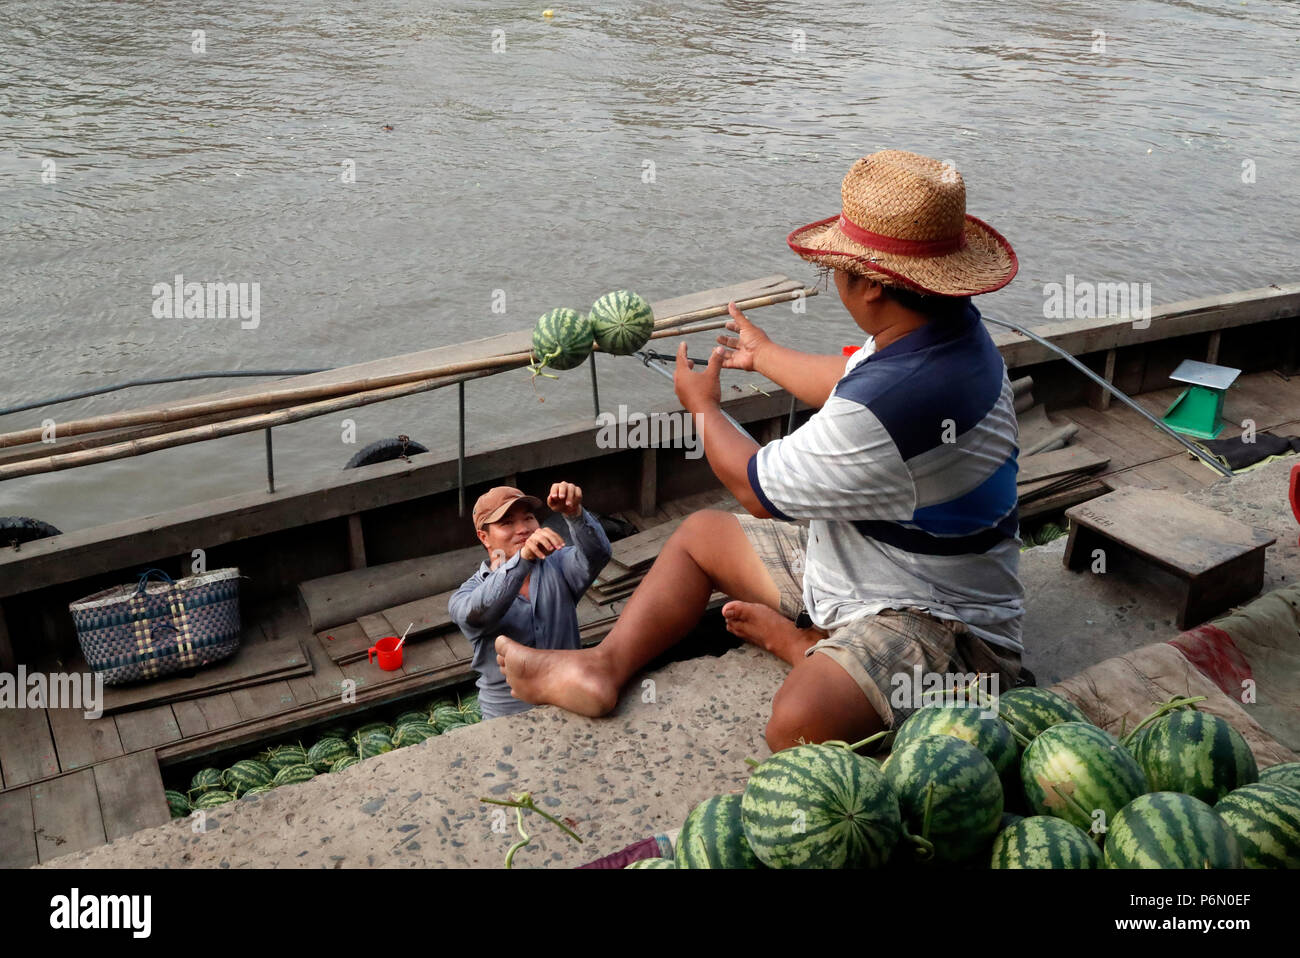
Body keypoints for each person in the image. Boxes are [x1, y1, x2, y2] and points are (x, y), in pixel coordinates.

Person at [494, 149, 1024, 752]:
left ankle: (806, 646)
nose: (833, 283)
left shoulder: (892, 402)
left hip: (940, 619)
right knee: (700, 538)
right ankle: (601, 665)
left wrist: (704, 408)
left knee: (797, 723)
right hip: (868, 555)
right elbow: (843, 376)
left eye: (837, 273)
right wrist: (764, 355)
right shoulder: (944, 333)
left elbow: (754, 485)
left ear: (873, 286)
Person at [449, 482, 611, 720]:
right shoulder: (466, 595)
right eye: (507, 523)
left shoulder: (558, 566)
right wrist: (522, 560)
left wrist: (575, 514)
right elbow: (476, 613)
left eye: (528, 518)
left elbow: (598, 555)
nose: (523, 529)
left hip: (572, 699)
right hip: (507, 717)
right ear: (484, 537)